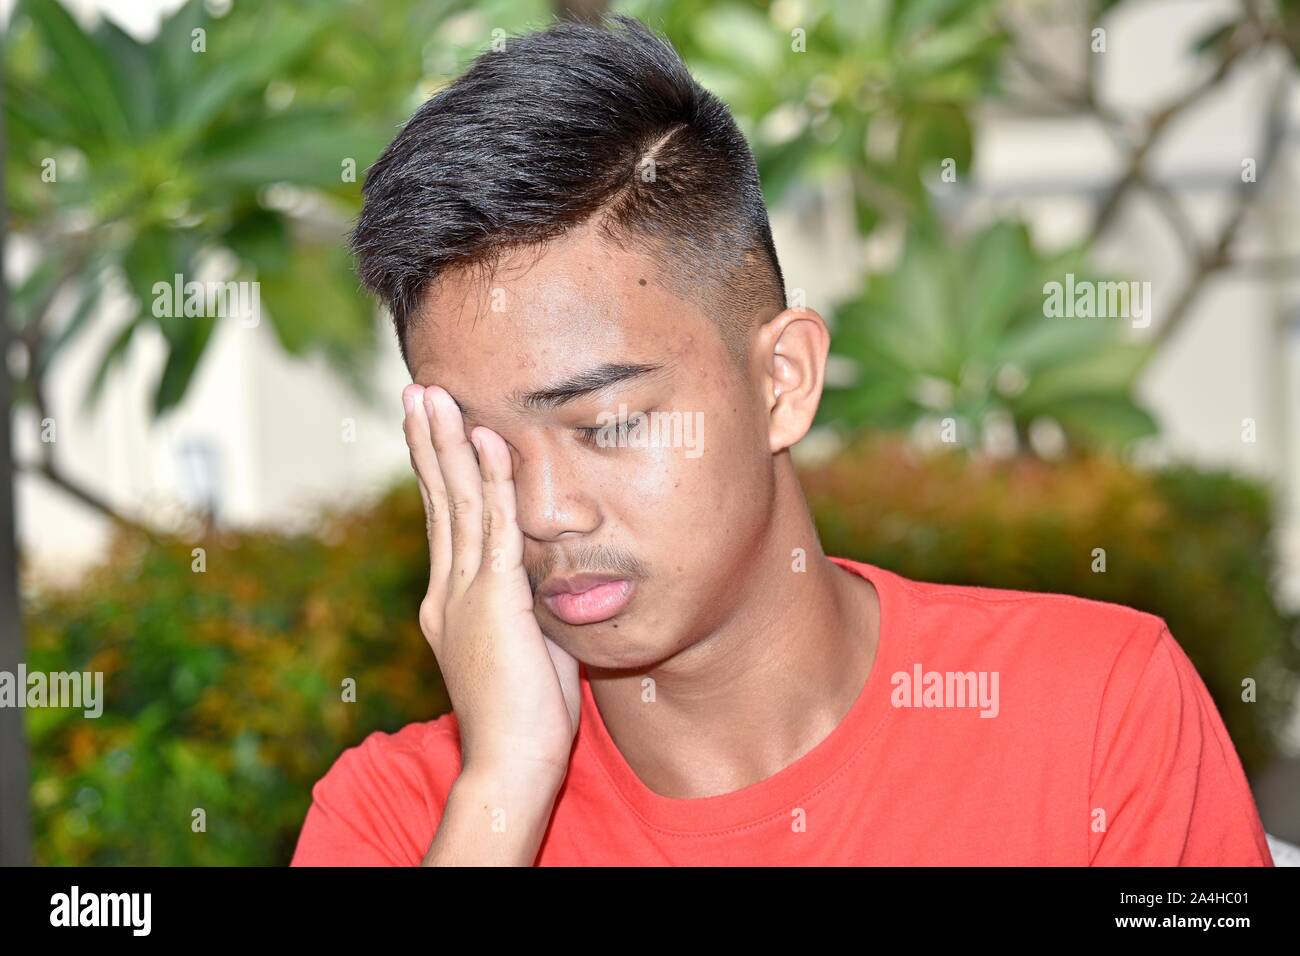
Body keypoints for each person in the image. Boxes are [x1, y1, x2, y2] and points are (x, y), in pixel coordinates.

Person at [290, 15, 1273, 866]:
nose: (544, 511)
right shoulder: (402, 819)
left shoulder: (1095, 711)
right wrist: (505, 782)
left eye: (608, 424)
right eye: (482, 455)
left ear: (783, 380)